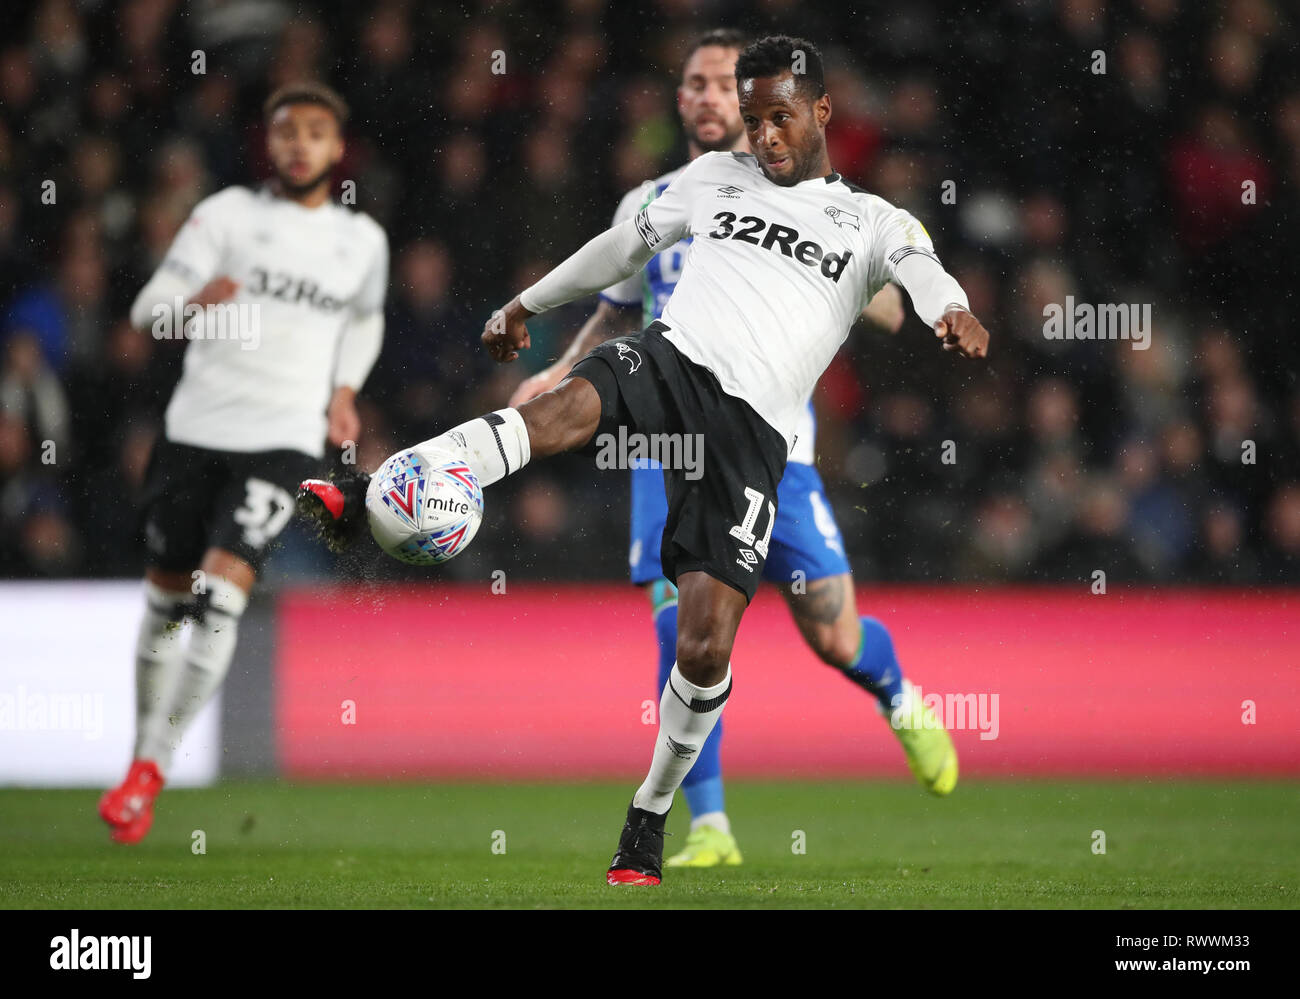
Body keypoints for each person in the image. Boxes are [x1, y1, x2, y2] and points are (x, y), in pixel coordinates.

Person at [301, 35, 987, 886]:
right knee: (556, 414)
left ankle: (658, 806)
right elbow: (619, 253)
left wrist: (949, 308)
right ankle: (363, 494)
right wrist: (526, 303)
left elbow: (919, 268)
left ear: (820, 112)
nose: (765, 136)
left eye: (780, 117)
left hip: (758, 440)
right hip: (668, 367)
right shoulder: (700, 182)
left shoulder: (871, 219)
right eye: (751, 116)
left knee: (720, 644)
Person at [508, 29, 957, 871]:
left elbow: (893, 311)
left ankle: (897, 695)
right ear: (682, 102)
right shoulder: (655, 197)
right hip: (668, 429)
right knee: (682, 625)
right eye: (701, 85)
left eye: (728, 86)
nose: (717, 99)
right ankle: (706, 824)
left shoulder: (813, 202)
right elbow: (615, 307)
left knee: (831, 631)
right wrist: (561, 372)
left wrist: (852, 265)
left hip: (772, 444)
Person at [100, 82, 388, 844]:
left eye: (316, 132)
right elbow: (144, 310)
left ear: (337, 148)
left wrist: (345, 390)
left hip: (283, 437)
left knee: (221, 598)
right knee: (165, 603)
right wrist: (194, 302)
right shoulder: (224, 215)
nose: (300, 144)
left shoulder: (361, 241)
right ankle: (139, 753)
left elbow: (365, 319)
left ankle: (152, 765)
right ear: (270, 142)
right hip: (194, 432)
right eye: (287, 130)